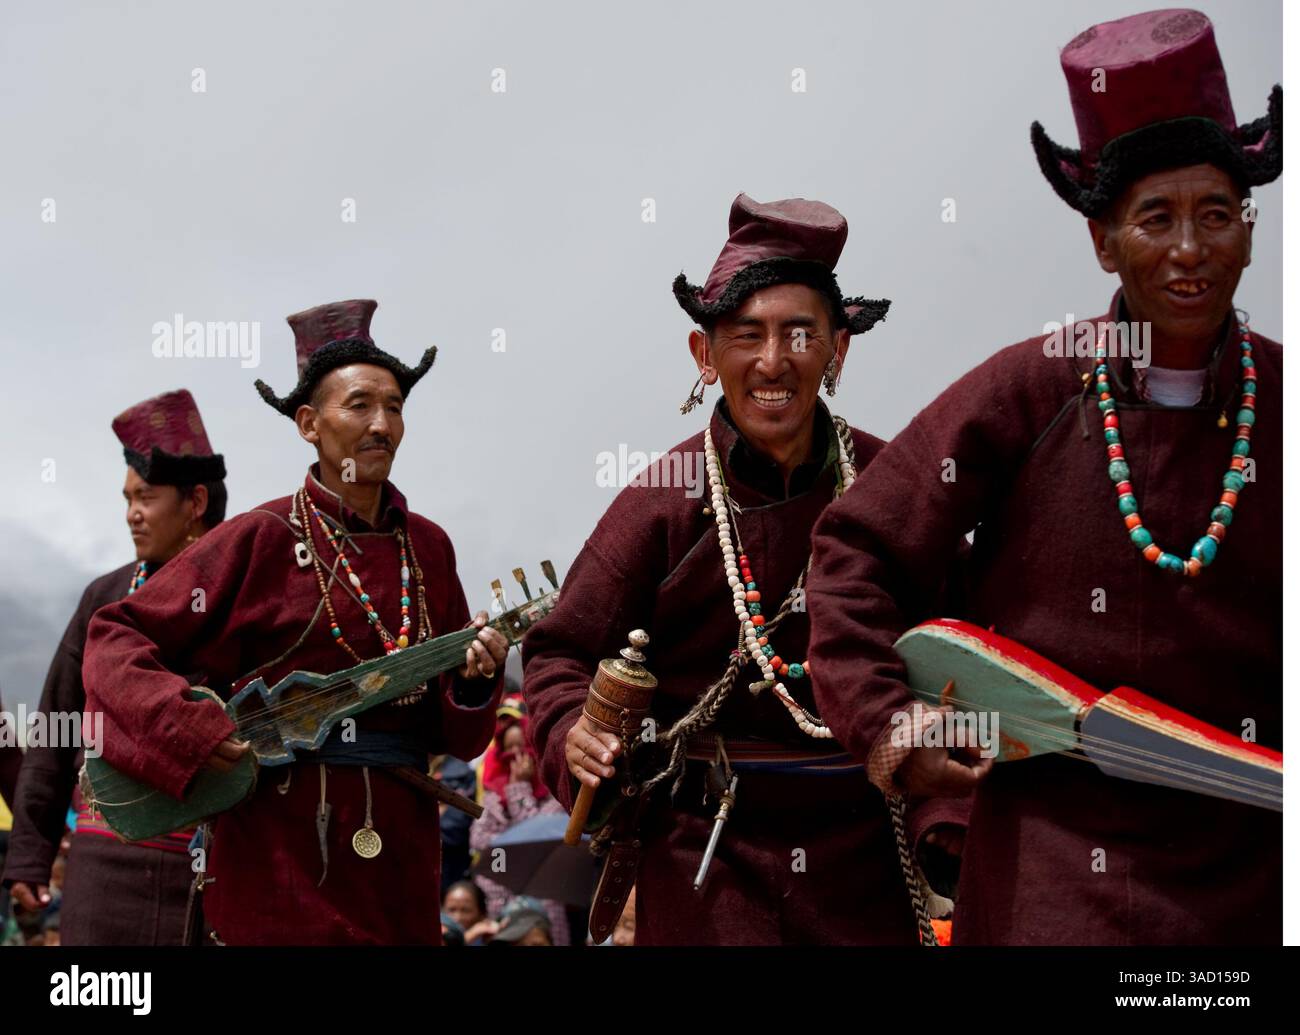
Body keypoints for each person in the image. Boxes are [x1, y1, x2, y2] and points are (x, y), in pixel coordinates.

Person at [806, 8, 1281, 945]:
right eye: (1156, 219)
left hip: (1255, 855)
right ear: (1105, 241)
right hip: (1055, 867)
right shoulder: (1032, 386)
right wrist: (892, 724)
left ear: (1249, 231)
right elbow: (855, 548)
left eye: (1217, 214)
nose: (1190, 249)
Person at [524, 195, 966, 945]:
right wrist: (573, 731)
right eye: (745, 335)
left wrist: (944, 812)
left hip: (867, 852)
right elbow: (559, 651)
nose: (772, 361)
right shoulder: (660, 502)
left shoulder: (896, 487)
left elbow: (956, 658)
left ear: (838, 349)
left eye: (799, 334)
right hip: (704, 853)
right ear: (704, 356)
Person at [82, 299, 508, 945]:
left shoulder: (429, 547)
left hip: (399, 853)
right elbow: (115, 635)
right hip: (277, 849)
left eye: (394, 406)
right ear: (309, 422)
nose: (382, 424)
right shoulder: (261, 535)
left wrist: (476, 682)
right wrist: (186, 724)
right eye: (359, 404)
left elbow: (452, 730)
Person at [3, 390, 228, 944]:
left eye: (145, 497)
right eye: (127, 497)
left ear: (195, 501)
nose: (131, 513)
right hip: (102, 872)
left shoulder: (240, 598)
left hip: (208, 872)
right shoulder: (103, 599)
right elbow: (54, 733)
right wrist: (30, 858)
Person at [469, 697, 570, 945]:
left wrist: (519, 790)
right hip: (501, 907)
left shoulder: (555, 798)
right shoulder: (491, 798)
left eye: (521, 746)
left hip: (545, 913)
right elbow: (480, 846)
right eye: (509, 747)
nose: (515, 755)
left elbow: (536, 842)